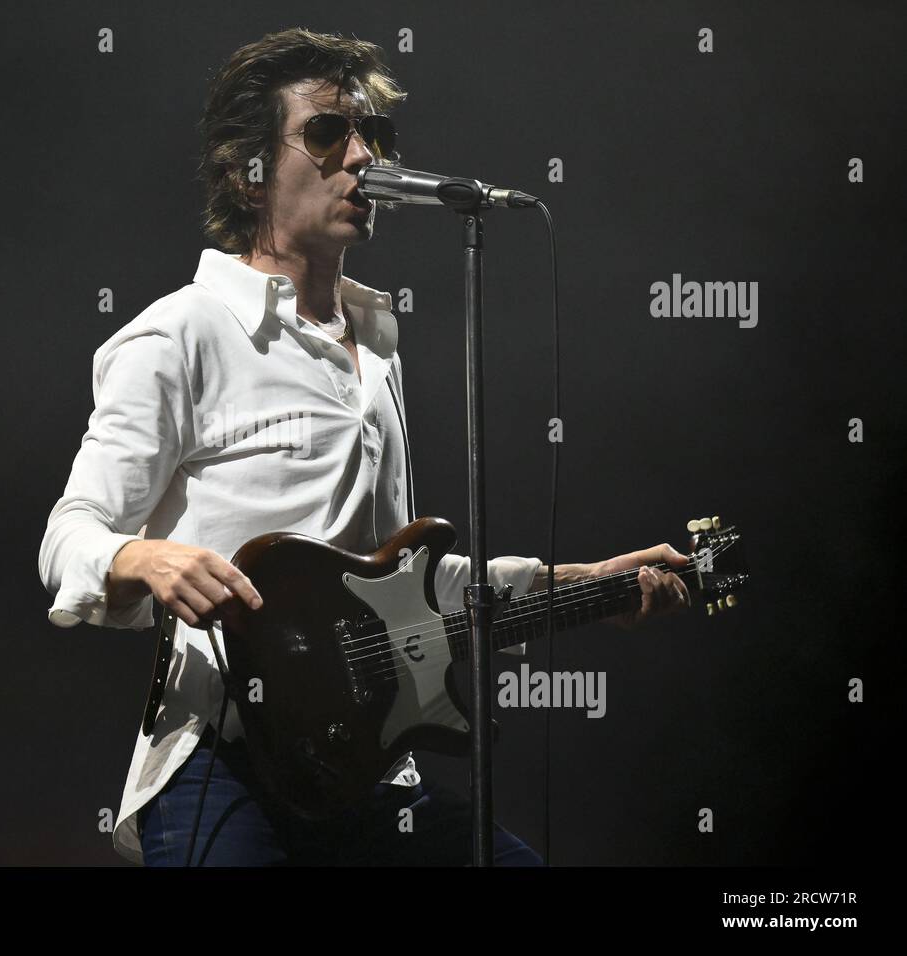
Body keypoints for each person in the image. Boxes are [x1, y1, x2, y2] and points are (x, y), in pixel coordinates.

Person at [39, 28, 690, 866]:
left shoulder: (374, 345)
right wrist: (147, 559)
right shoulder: (181, 335)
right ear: (250, 168)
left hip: (368, 771)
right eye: (326, 133)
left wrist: (580, 584)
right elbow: (70, 536)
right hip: (226, 764)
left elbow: (397, 579)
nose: (361, 156)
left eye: (370, 135)